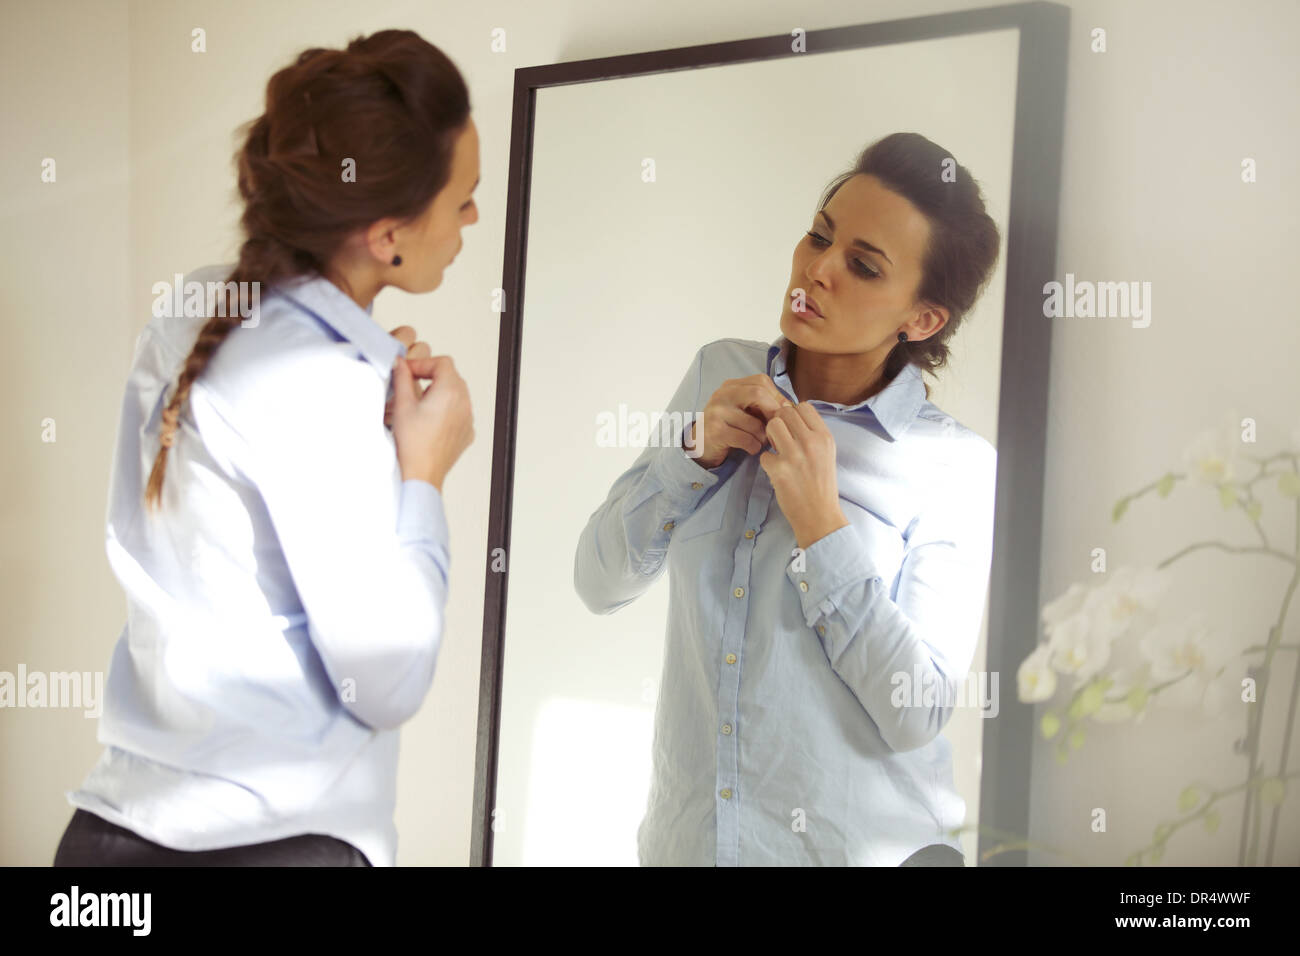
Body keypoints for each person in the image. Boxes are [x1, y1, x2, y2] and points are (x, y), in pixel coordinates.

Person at [53, 29, 477, 868]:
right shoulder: (321, 380)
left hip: (107, 843)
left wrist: (360, 384)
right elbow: (385, 683)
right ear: (389, 236)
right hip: (267, 847)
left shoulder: (198, 308)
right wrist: (422, 474)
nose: (472, 216)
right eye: (463, 196)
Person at [574, 132, 1001, 866]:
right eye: (819, 236)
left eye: (863, 265)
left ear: (922, 319)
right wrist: (690, 459)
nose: (817, 270)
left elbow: (916, 711)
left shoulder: (953, 465)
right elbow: (598, 582)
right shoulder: (719, 370)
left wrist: (823, 530)